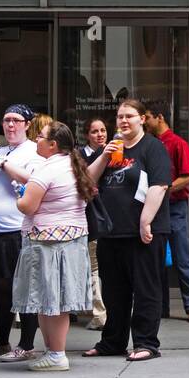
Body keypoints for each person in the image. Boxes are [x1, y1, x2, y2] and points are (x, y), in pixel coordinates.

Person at [82, 98, 172, 361]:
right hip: (111, 231)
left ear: (142, 119)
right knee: (114, 291)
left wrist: (145, 221)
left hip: (144, 232)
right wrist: (105, 156)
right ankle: (112, 341)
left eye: (129, 116)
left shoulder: (152, 148)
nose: (123, 121)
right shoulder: (112, 148)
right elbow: (87, 180)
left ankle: (146, 342)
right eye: (120, 116)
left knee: (146, 289)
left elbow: (159, 185)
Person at [12, 121, 94, 372]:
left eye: (41, 137)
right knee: (51, 301)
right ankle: (52, 352)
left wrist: (19, 196)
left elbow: (27, 205)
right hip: (67, 242)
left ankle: (57, 353)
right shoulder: (72, 164)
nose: (36, 139)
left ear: (53, 144)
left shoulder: (48, 170)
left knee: (52, 301)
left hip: (49, 243)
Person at [0, 104, 44, 361]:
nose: (10, 125)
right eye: (5, 121)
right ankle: (1, 341)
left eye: (15, 120)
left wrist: (4, 164)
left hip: (15, 231)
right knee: (0, 288)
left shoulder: (34, 150)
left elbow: (33, 181)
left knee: (22, 287)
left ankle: (26, 345)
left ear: (27, 124)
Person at [143, 103, 189, 324]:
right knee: (156, 257)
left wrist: (164, 188)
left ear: (160, 117)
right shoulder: (149, 144)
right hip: (155, 206)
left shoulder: (178, 143)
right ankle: (161, 306)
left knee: (182, 256)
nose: (144, 121)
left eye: (147, 117)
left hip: (175, 206)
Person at [80, 118, 109, 331]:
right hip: (90, 218)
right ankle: (98, 313)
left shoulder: (116, 153)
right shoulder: (80, 156)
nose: (100, 135)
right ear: (87, 135)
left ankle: (101, 313)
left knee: (99, 268)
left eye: (103, 130)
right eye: (94, 131)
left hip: (111, 217)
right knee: (93, 267)